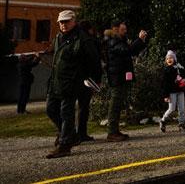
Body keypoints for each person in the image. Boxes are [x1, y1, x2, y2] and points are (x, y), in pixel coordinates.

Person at [45, 10, 100, 158]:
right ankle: (71, 135)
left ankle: (65, 145)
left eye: (66, 21)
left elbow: (94, 60)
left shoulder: (82, 39)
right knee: (51, 109)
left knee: (66, 113)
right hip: (56, 81)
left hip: (72, 82)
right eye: (61, 22)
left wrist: (93, 81)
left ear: (74, 21)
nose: (63, 24)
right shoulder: (58, 37)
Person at [105, 21, 148, 141]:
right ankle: (112, 132)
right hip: (117, 77)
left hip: (120, 76)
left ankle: (115, 131)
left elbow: (131, 51)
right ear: (116, 29)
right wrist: (139, 40)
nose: (125, 32)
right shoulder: (113, 41)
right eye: (123, 30)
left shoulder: (119, 41)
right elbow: (127, 51)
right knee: (115, 104)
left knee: (118, 104)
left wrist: (141, 41)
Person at [75, 21, 102, 142]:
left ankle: (68, 133)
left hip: (74, 77)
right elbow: (95, 60)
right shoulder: (89, 41)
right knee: (84, 106)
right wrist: (97, 79)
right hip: (87, 77)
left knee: (69, 108)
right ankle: (81, 133)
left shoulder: (74, 39)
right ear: (89, 29)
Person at [159, 50, 185, 133]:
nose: (169, 60)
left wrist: (183, 81)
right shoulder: (166, 70)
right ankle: (163, 120)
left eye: (171, 58)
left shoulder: (179, 67)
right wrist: (165, 95)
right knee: (171, 108)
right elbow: (164, 84)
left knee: (182, 109)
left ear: (174, 59)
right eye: (167, 58)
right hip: (171, 92)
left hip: (180, 91)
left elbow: (184, 77)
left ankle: (181, 124)